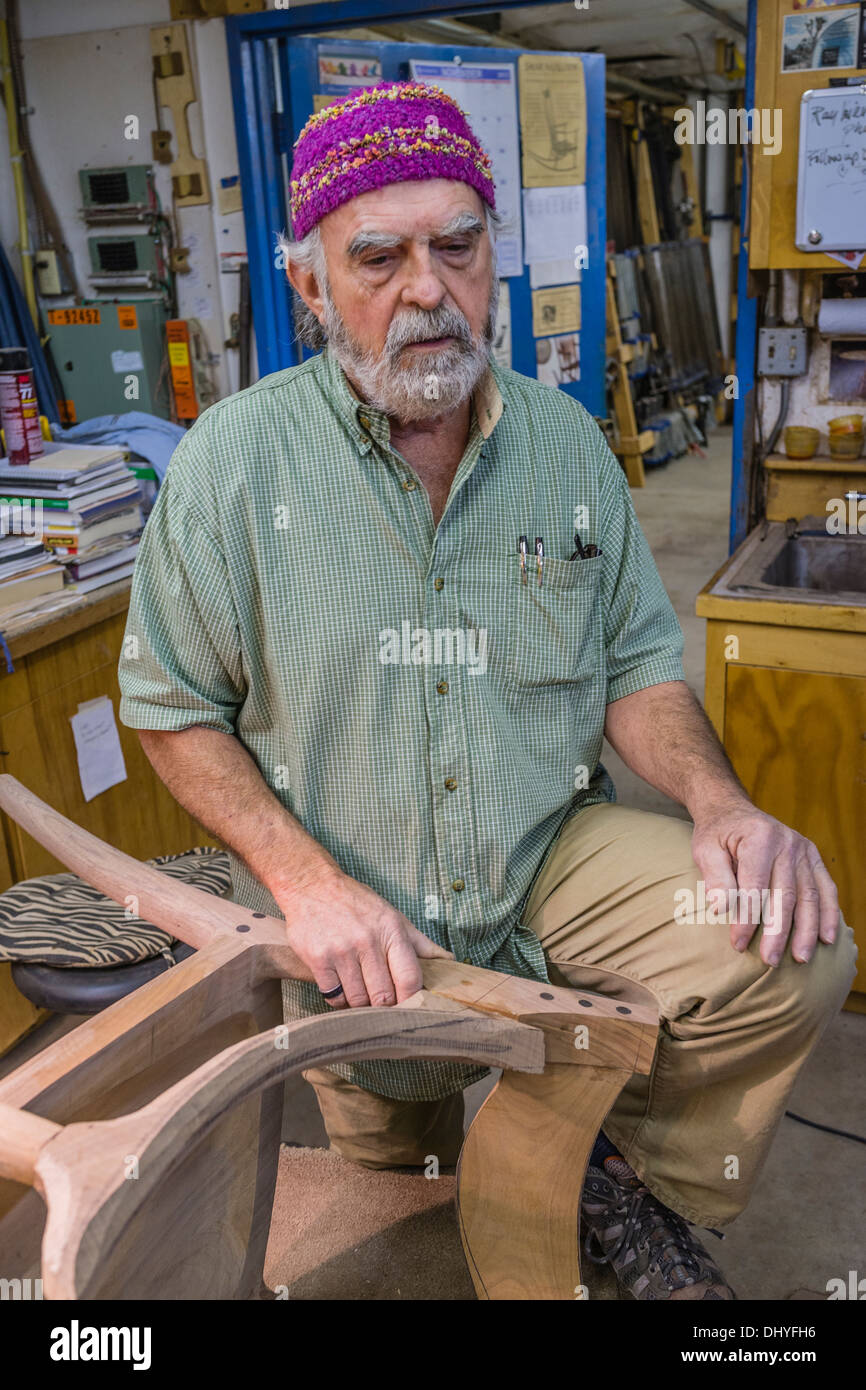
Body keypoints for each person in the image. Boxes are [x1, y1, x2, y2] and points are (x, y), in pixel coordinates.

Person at [118, 81, 856, 1301]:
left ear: (491, 256)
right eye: (378, 258)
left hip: (538, 851)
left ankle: (607, 1175)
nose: (426, 290)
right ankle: (439, 1178)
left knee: (787, 945)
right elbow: (170, 704)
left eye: (456, 248)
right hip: (340, 892)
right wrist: (307, 885)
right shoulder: (232, 465)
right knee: (389, 1216)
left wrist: (718, 802)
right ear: (310, 287)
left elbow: (631, 668)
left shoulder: (565, 446)